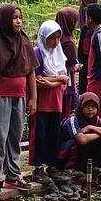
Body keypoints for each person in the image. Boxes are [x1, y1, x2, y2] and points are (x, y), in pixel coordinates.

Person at [0, 4, 38, 195]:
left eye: (20, 17)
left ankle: (13, 175)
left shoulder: (24, 41)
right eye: (14, 18)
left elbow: (30, 71)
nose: (18, 21)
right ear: (5, 20)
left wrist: (33, 98)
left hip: (19, 97)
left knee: (14, 137)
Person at [31, 20, 68, 185]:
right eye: (52, 38)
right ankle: (38, 168)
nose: (55, 42)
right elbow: (38, 81)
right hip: (42, 103)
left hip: (56, 102)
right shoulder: (37, 54)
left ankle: (52, 166)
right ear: (44, 37)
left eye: (58, 38)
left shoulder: (59, 54)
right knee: (40, 135)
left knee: (54, 135)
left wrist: (55, 81)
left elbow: (65, 80)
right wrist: (60, 79)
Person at [57, 92, 101, 175]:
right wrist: (100, 133)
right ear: (81, 107)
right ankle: (71, 167)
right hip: (64, 153)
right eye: (87, 106)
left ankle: (91, 165)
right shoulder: (73, 119)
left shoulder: (96, 120)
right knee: (85, 139)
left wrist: (90, 127)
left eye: (93, 107)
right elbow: (82, 140)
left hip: (81, 152)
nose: (90, 109)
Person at [55, 7, 81, 117]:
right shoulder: (68, 42)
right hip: (68, 84)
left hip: (56, 81)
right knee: (69, 113)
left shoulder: (54, 39)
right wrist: (78, 67)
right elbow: (71, 68)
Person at [77, 0, 101, 94]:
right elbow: (82, 27)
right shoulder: (82, 10)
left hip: (95, 52)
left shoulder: (99, 12)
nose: (85, 1)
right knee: (83, 77)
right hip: (84, 50)